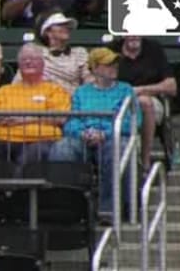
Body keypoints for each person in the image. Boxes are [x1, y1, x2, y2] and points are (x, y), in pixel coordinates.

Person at [52, 47, 138, 221]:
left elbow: (133, 120)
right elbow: (72, 120)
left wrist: (105, 133)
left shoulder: (126, 90)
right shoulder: (82, 92)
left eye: (115, 63)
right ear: (95, 68)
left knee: (118, 149)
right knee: (61, 148)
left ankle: (109, 210)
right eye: (108, 64)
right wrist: (82, 133)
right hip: (84, 137)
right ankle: (68, 208)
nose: (114, 67)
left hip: (112, 135)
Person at [0, 44, 70, 170]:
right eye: (24, 59)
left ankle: (22, 189)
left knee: (35, 154)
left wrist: (24, 119)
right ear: (19, 65)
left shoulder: (54, 90)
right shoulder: (4, 91)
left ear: (43, 64)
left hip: (39, 139)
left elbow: (60, 117)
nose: (28, 62)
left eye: (33, 58)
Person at [114, 35, 175, 171]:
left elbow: (171, 86)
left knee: (144, 102)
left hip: (151, 99)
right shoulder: (112, 49)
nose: (134, 35)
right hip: (118, 99)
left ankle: (145, 162)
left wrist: (141, 90)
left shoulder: (154, 49)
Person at [35, 12, 89, 92]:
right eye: (60, 25)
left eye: (67, 25)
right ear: (48, 32)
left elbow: (88, 78)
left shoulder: (79, 53)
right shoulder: (36, 53)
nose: (66, 28)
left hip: (73, 100)